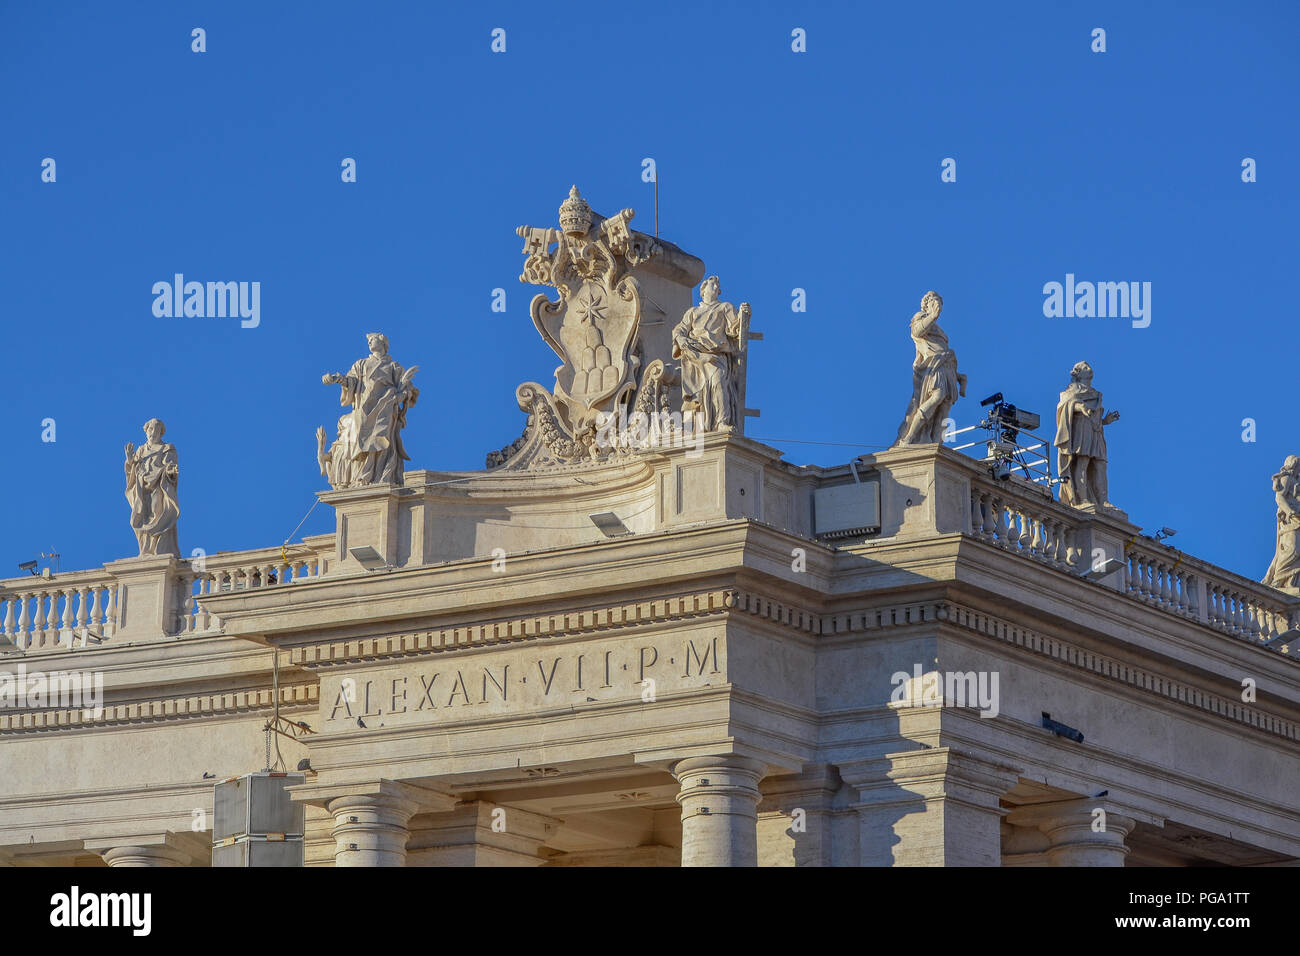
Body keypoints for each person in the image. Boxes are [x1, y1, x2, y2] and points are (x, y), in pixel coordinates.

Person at [322, 333, 419, 486]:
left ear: (383, 343)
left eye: (372, 339)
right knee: (364, 439)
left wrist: (403, 395)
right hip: (365, 409)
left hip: (385, 409)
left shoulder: (394, 367)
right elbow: (351, 381)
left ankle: (374, 475)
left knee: (381, 440)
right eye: (368, 341)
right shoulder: (360, 364)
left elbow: (408, 389)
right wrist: (338, 379)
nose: (369, 342)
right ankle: (365, 475)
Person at [672, 276, 749, 432]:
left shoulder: (725, 307)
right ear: (703, 289)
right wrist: (680, 339)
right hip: (695, 354)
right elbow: (680, 329)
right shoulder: (692, 312)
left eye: (717, 286)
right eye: (713, 285)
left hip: (716, 354)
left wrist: (743, 315)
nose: (716, 288)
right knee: (698, 393)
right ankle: (697, 425)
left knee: (718, 383)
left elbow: (735, 328)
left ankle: (722, 422)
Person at [895, 291, 966, 444]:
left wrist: (958, 375)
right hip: (933, 366)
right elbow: (917, 332)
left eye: (939, 302)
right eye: (934, 302)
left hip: (947, 366)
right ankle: (910, 436)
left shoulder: (941, 331)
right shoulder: (920, 317)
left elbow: (941, 347)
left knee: (945, 406)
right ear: (927, 304)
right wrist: (932, 316)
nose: (938, 305)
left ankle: (936, 442)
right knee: (937, 396)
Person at [1054, 361, 1120, 508]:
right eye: (1085, 368)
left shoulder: (1096, 394)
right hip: (1082, 431)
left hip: (1096, 433)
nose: (1089, 369)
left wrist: (1105, 421)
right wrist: (1079, 406)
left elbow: (1094, 417)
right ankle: (1082, 499)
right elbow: (1064, 406)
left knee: (1100, 466)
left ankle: (1103, 500)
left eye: (1089, 367)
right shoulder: (1072, 390)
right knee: (1082, 463)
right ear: (1078, 373)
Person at [124, 418, 180, 556]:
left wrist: (170, 472)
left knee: (157, 513)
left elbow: (170, 466)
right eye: (150, 429)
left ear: (161, 433)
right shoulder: (141, 450)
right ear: (146, 431)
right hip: (142, 488)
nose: (152, 432)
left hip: (158, 485)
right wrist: (130, 460)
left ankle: (158, 548)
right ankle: (146, 549)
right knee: (142, 516)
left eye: (156, 429)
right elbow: (132, 470)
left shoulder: (167, 448)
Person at [1263, 455, 1300, 591]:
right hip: (1290, 520)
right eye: (1298, 466)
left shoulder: (1296, 480)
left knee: (1298, 552)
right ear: (1294, 465)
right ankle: (1278, 581)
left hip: (1298, 519)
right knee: (1292, 550)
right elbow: (1279, 497)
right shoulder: (1286, 478)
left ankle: (1291, 582)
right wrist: (1289, 511)